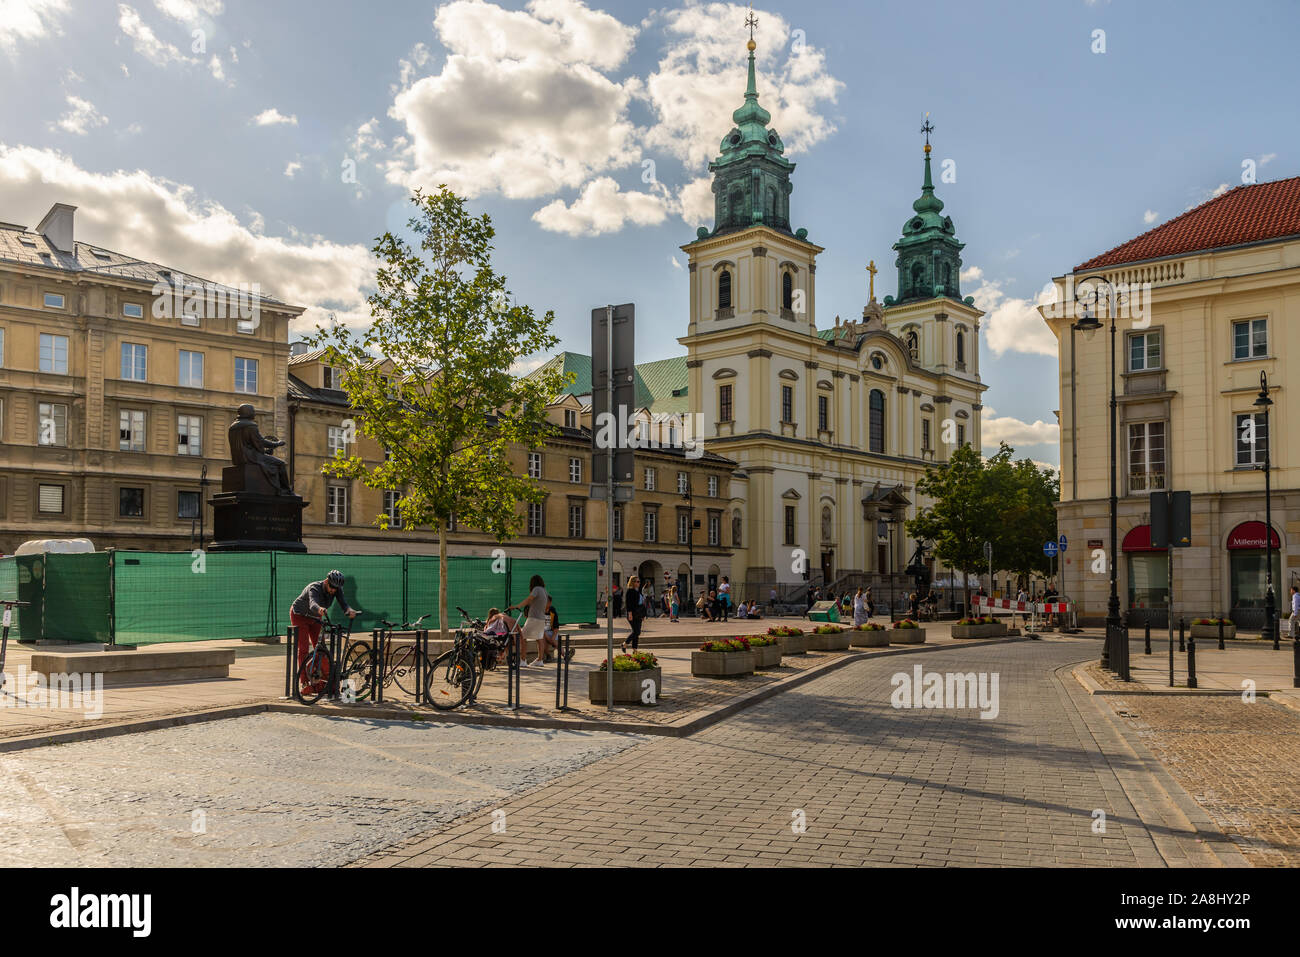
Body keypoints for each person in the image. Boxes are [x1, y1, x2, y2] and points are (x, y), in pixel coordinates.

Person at [290, 570, 359, 694]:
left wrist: (349, 610)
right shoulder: (314, 588)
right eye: (332, 587)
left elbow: (343, 603)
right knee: (303, 648)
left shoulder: (337, 590)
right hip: (300, 615)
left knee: (321, 647)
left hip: (316, 617)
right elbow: (312, 604)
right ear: (326, 581)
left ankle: (325, 680)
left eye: (336, 588)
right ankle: (304, 681)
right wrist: (320, 608)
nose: (333, 590)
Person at [507, 574, 550, 666]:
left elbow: (529, 599)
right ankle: (540, 660)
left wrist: (517, 606)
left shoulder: (536, 589)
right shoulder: (544, 591)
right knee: (539, 639)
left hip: (534, 617)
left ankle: (523, 661)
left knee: (522, 637)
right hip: (542, 618)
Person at [623, 576, 645, 653]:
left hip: (639, 613)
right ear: (633, 582)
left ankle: (635, 649)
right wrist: (630, 614)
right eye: (637, 581)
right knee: (636, 632)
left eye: (639, 581)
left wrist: (643, 615)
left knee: (636, 632)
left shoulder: (638, 591)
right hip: (633, 613)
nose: (638, 583)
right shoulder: (630, 591)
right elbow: (628, 604)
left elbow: (641, 603)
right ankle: (625, 644)